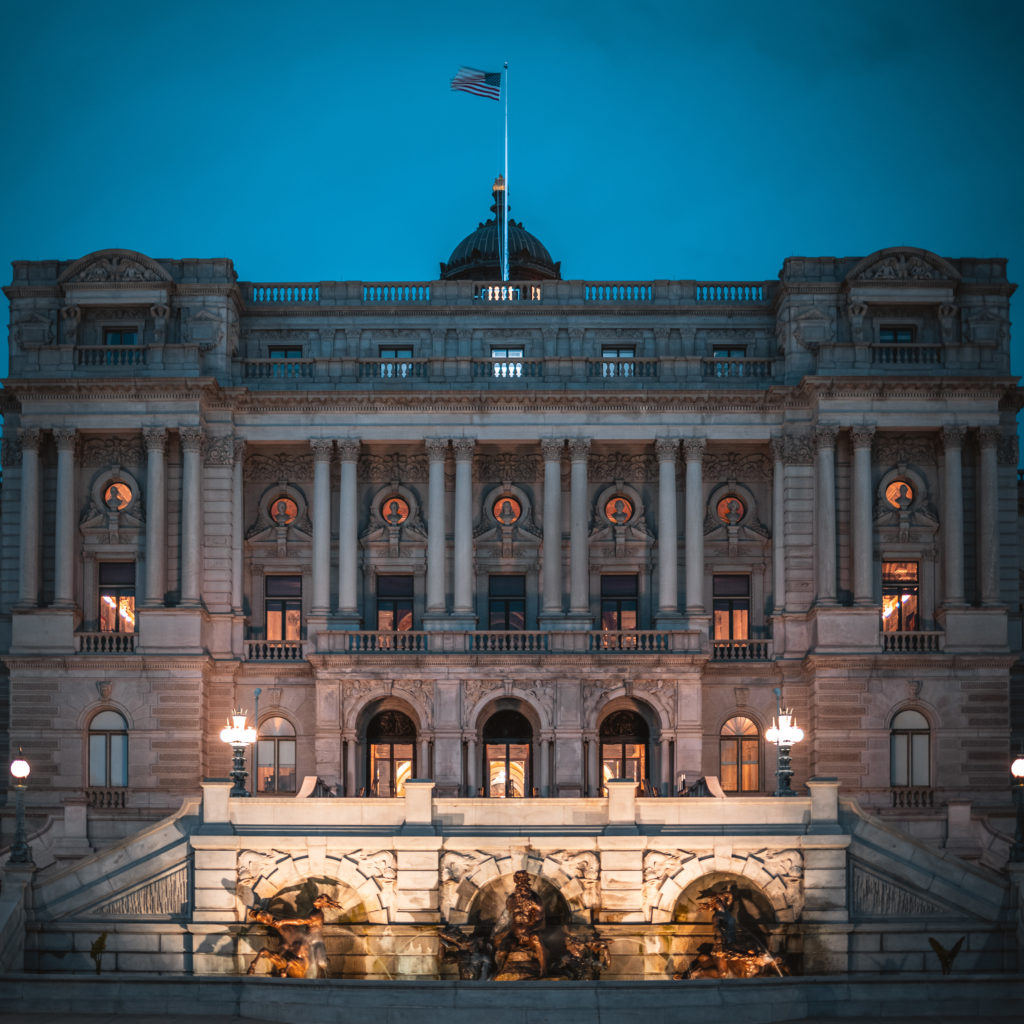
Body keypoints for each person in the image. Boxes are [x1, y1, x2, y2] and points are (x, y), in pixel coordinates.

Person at [493, 870, 547, 978]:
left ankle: (543, 970)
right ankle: (498, 970)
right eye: (519, 887)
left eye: (524, 886)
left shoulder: (535, 901)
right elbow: (505, 918)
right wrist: (499, 932)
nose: (521, 889)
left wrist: (530, 930)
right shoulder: (512, 899)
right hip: (514, 933)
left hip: (529, 933)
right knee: (501, 950)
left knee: (537, 940)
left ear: (528, 886)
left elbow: (541, 922)